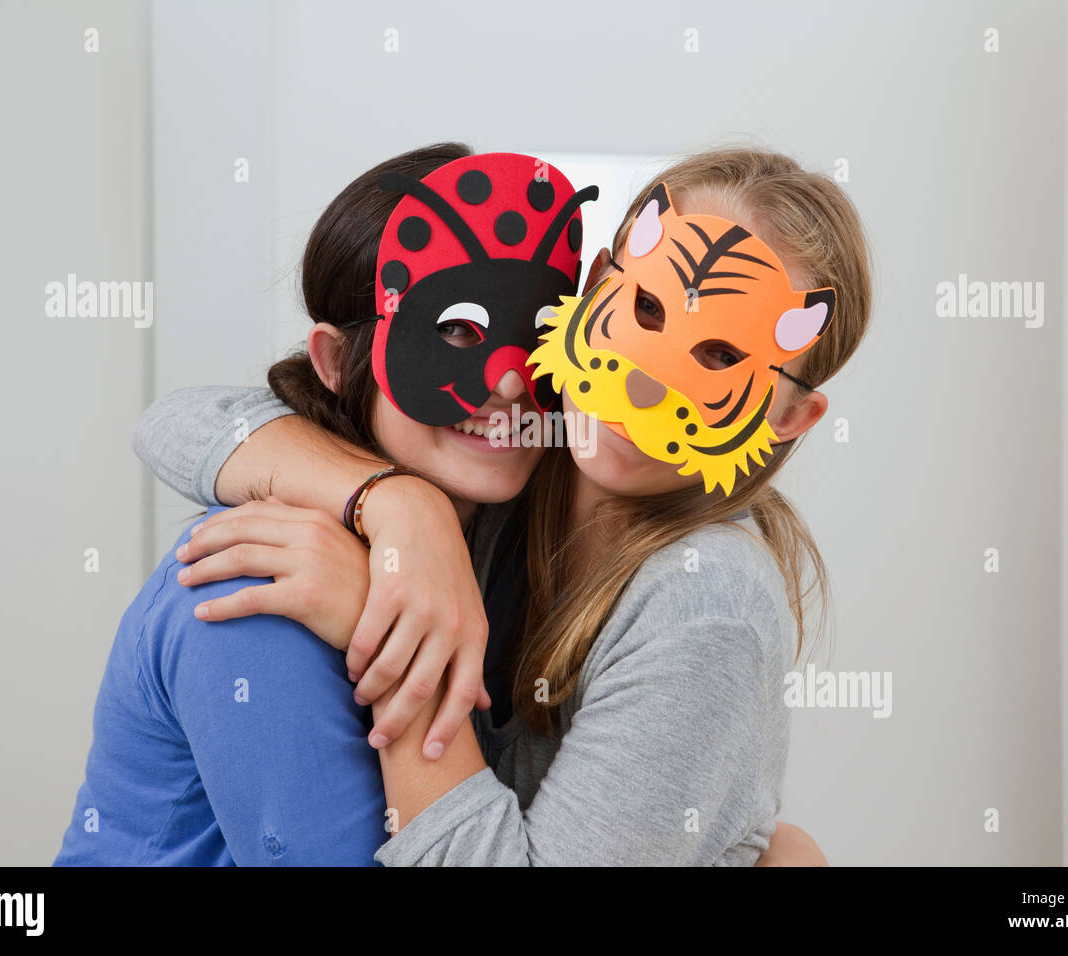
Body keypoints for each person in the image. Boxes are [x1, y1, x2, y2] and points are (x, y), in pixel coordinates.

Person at [135, 146, 873, 864]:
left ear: (790, 419)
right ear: (593, 290)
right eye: (644, 306)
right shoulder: (515, 463)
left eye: (717, 356)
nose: (649, 381)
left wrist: (383, 622)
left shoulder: (707, 601)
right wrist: (401, 509)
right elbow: (176, 422)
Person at [55, 142, 583, 864]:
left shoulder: (526, 543)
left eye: (539, 330)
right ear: (334, 361)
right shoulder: (254, 590)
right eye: (457, 329)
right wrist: (398, 505)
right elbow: (168, 418)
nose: (511, 384)